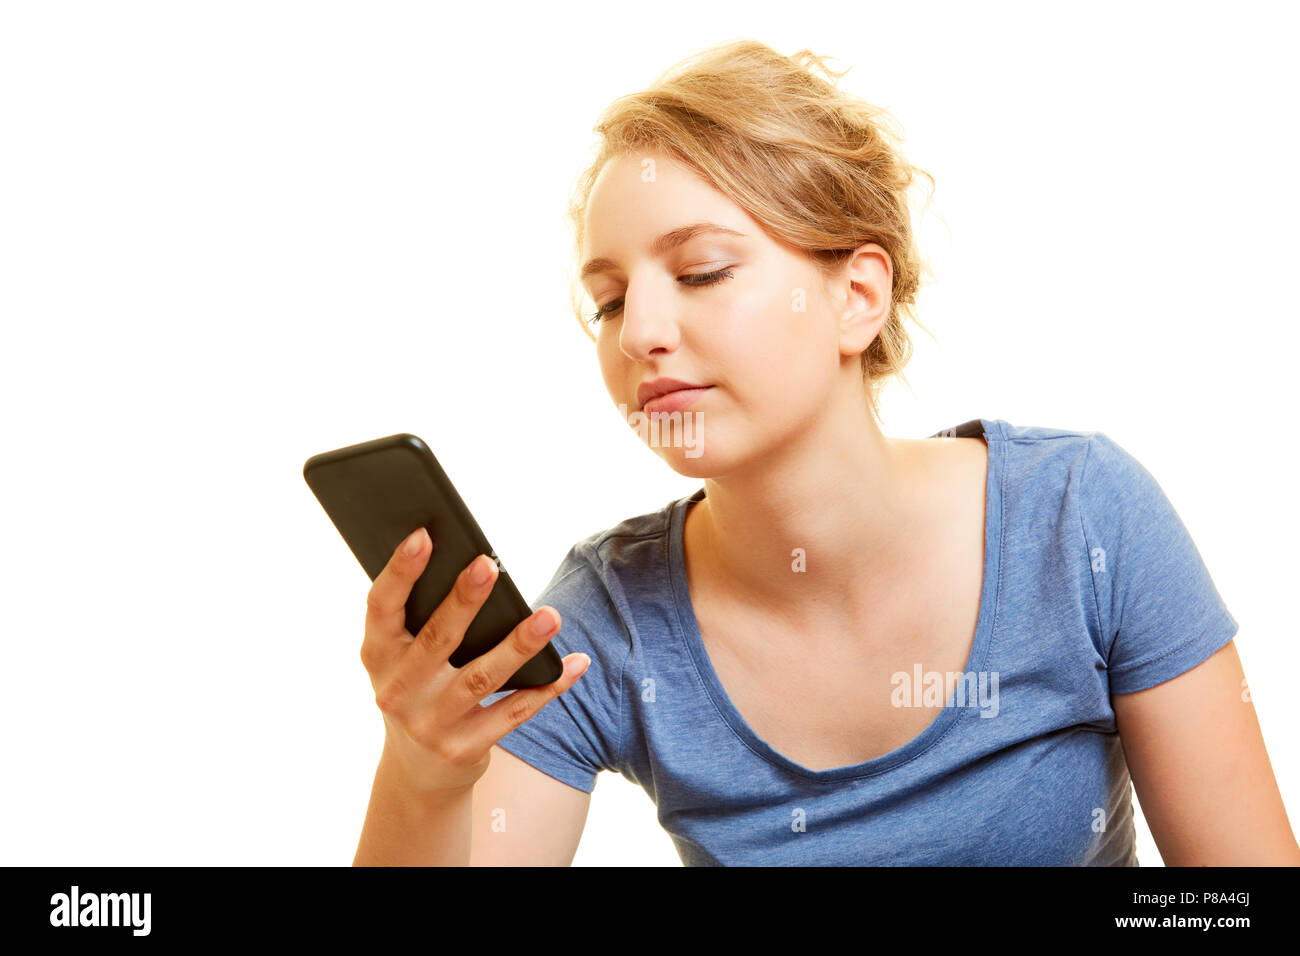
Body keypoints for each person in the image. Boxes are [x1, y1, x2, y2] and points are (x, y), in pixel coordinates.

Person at [352, 39, 1300, 866]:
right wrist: (423, 775)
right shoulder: (609, 620)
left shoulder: (1082, 519)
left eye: (701, 272)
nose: (639, 330)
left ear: (856, 297)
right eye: (607, 300)